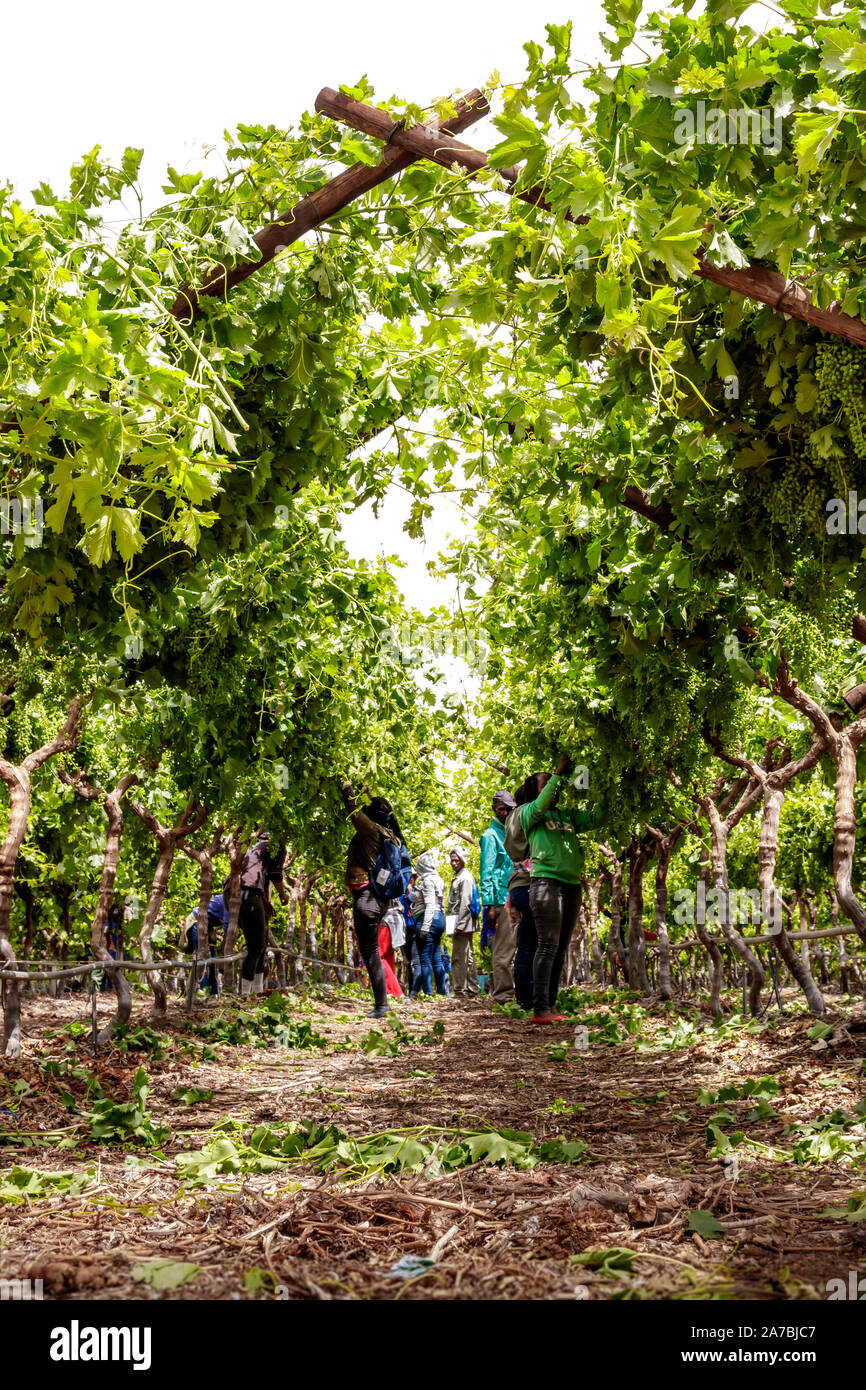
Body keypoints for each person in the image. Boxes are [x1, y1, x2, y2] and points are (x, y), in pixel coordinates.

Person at [518, 756, 603, 1023]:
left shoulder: (566, 815)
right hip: (546, 882)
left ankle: (550, 1006)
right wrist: (557, 771)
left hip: (571, 885)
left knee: (560, 947)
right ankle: (539, 1008)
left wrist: (606, 789)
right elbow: (542, 801)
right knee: (547, 945)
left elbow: (596, 818)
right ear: (535, 791)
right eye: (547, 785)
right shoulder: (528, 812)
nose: (555, 789)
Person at [341, 782, 411, 1018]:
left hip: (367, 898)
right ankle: (381, 1003)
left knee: (370, 952)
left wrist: (347, 786)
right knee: (371, 951)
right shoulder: (393, 835)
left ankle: (382, 1004)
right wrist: (369, 793)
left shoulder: (371, 831)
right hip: (379, 900)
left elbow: (352, 811)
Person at [238, 832, 289, 996]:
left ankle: (257, 991)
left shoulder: (252, 842)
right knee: (257, 946)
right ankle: (246, 994)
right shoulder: (276, 845)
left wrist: (265, 903)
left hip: (234, 892)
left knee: (259, 944)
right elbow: (275, 874)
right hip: (249, 893)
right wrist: (282, 895)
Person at [480, 789, 518, 1004]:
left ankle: (518, 992)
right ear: (494, 809)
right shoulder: (490, 836)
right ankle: (503, 995)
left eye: (509, 809)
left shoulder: (513, 833)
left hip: (517, 897)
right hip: (501, 901)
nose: (505, 813)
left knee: (518, 948)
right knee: (503, 951)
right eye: (502, 809)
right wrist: (490, 905)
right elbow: (487, 871)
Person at [505, 795, 536, 1012]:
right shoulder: (529, 815)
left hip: (517, 887)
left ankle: (525, 998)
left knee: (526, 942)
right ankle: (531, 998)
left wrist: (510, 902)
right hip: (529, 884)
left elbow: (513, 863)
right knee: (533, 944)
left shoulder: (510, 820)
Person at [412, 850, 447, 998]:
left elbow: (430, 904)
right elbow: (442, 904)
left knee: (424, 957)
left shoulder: (427, 881)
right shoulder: (439, 880)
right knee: (436, 957)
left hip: (429, 918)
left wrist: (425, 927)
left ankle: (428, 993)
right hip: (440, 919)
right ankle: (442, 992)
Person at [448, 846, 479, 998]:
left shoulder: (464, 878)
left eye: (456, 860)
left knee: (459, 958)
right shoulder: (458, 876)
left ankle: (460, 990)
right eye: (452, 860)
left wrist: (459, 926)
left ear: (462, 860)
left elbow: (465, 903)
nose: (453, 863)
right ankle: (471, 989)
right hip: (461, 922)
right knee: (467, 956)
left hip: (462, 923)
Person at [378, 899, 405, 999]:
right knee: (388, 957)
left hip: (386, 920)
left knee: (378, 957)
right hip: (394, 918)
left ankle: (396, 992)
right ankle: (389, 991)